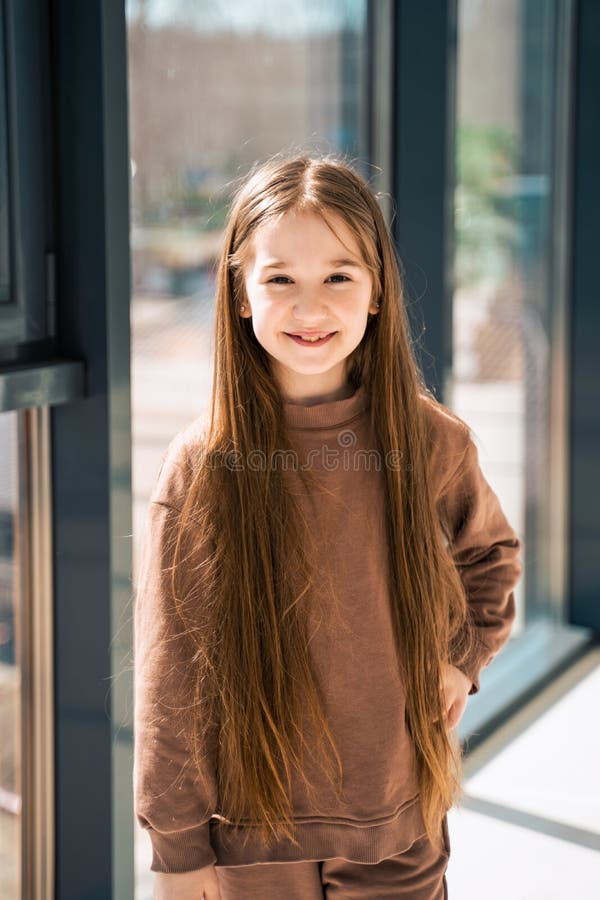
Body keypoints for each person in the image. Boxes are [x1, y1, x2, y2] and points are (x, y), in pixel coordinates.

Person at [133, 153, 523, 900]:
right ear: (240, 294)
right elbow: (171, 681)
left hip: (398, 825)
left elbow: (492, 555)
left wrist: (460, 658)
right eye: (281, 279)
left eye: (339, 276)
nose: (310, 308)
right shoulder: (202, 469)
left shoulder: (430, 440)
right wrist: (178, 855)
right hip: (252, 840)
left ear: (377, 292)